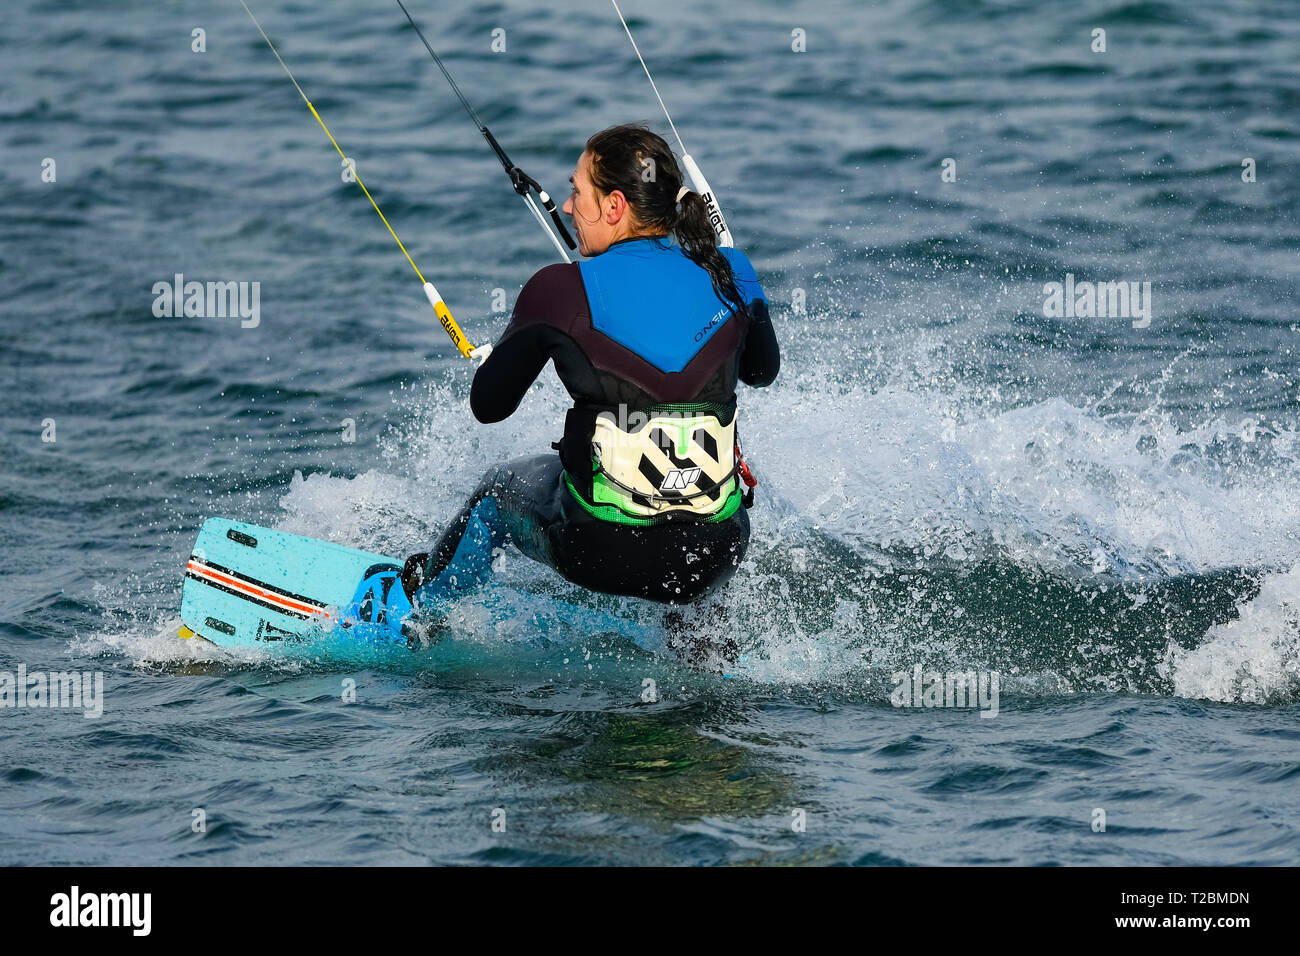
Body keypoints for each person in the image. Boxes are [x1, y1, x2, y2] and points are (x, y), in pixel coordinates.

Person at [367, 124, 779, 652]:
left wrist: (520, 343)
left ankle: (417, 615)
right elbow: (761, 372)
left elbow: (488, 405)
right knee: (700, 509)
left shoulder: (557, 291)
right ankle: (702, 656)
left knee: (495, 492)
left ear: (613, 206)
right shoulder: (732, 271)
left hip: (599, 550)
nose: (564, 206)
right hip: (716, 553)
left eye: (576, 190)